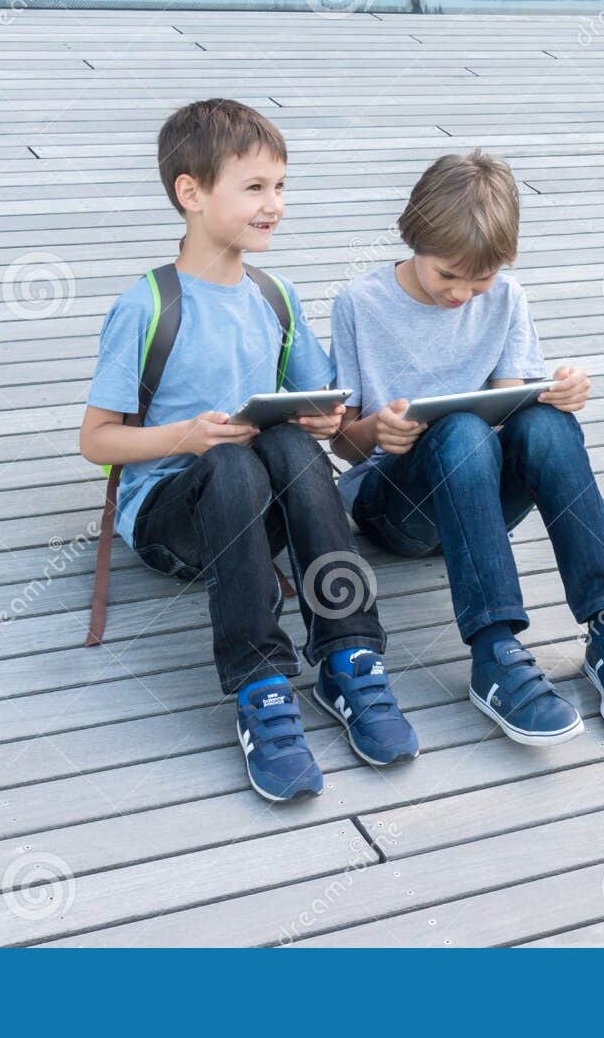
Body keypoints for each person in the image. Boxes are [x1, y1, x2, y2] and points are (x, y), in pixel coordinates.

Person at [80, 99, 417, 803]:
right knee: (229, 458)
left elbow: (325, 403)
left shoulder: (276, 296)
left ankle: (347, 654)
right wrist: (186, 437)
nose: (277, 206)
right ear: (192, 193)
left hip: (255, 509)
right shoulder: (148, 305)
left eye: (282, 187)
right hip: (171, 518)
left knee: (290, 440)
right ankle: (261, 686)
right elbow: (97, 440)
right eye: (256, 188)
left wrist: (332, 420)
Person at [331, 150, 604, 746]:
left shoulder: (506, 297)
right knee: (457, 429)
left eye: (478, 280)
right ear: (414, 240)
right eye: (447, 275)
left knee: (547, 427)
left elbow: (511, 409)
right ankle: (494, 651)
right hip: (395, 506)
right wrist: (379, 431)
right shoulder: (360, 302)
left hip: (477, 494)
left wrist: (557, 394)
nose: (462, 294)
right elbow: (344, 445)